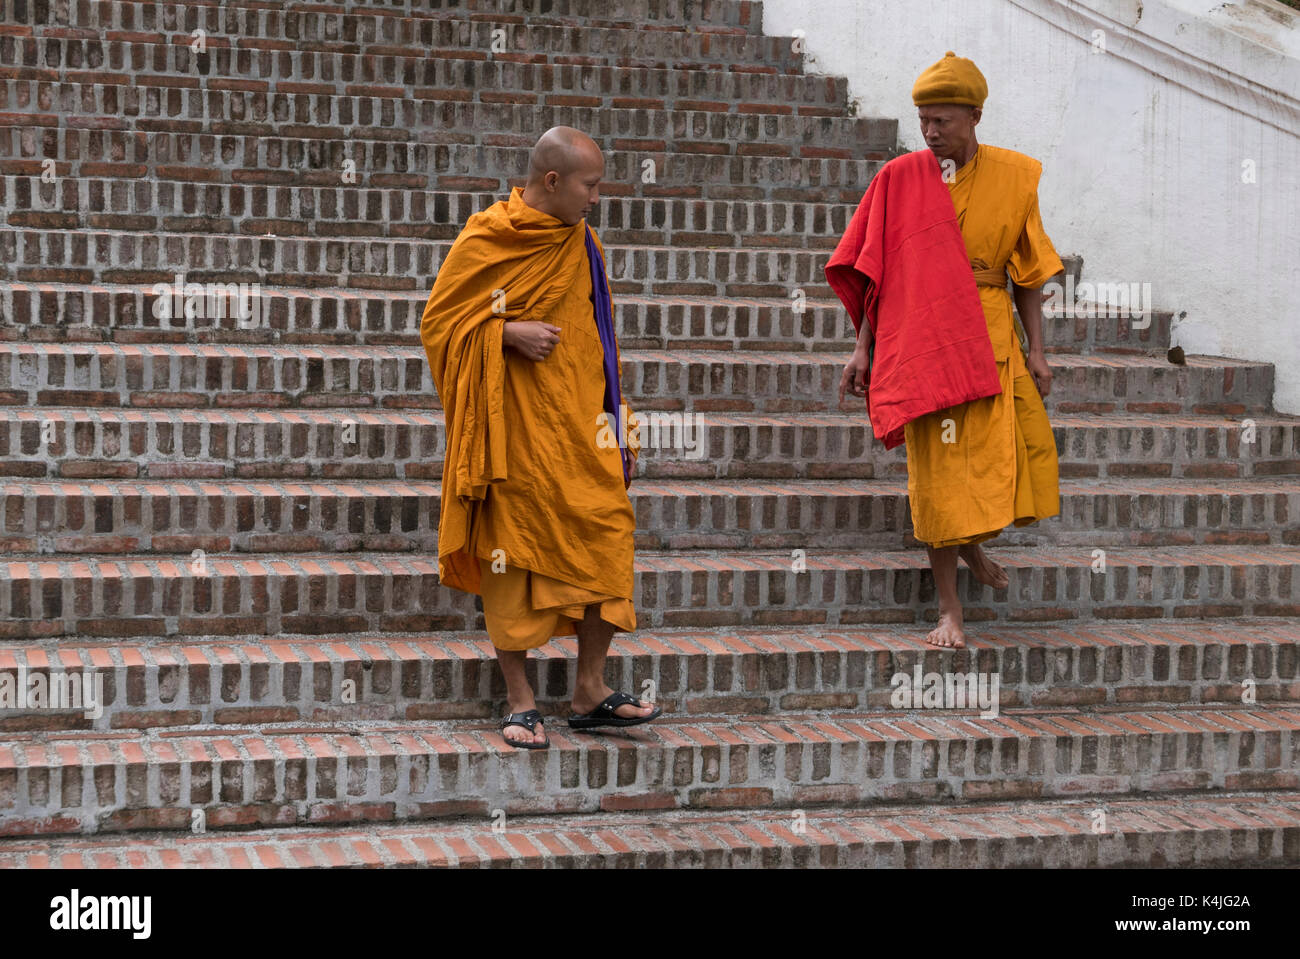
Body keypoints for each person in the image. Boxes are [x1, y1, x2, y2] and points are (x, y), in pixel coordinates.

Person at [419, 125, 661, 747]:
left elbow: (601, 335)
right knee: (513, 555)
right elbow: (440, 325)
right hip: (514, 434)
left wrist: (614, 416)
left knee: (609, 537)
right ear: (552, 181)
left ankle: (590, 690)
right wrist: (504, 333)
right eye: (590, 185)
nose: (597, 198)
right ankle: (520, 698)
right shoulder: (489, 238)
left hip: (582, 429)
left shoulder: (584, 243)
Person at [827, 52, 1063, 650]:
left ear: (976, 117)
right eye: (924, 121)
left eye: (943, 122)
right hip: (922, 335)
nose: (931, 134)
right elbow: (877, 272)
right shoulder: (901, 178)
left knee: (996, 461)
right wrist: (864, 350)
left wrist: (1038, 350)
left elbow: (1027, 275)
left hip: (989, 338)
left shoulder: (1015, 178)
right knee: (936, 474)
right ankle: (950, 610)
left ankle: (974, 544)